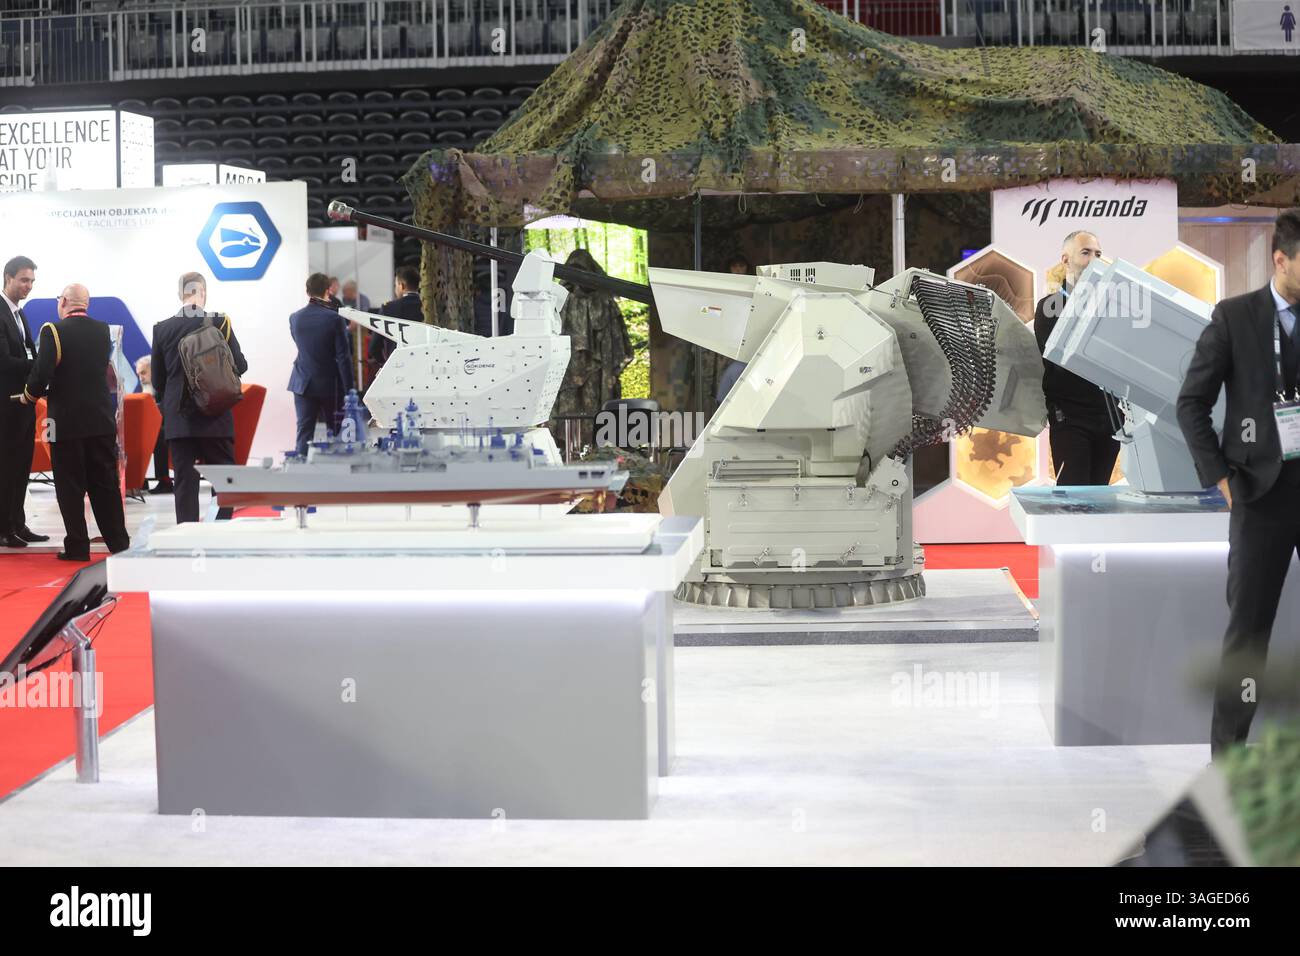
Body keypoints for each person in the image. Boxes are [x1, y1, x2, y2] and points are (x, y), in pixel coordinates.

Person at [1177, 207, 1300, 759]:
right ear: (1281, 260)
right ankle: (1228, 758)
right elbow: (1191, 404)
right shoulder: (1234, 317)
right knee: (1248, 633)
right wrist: (1220, 477)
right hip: (1260, 495)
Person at [15, 283, 129, 561]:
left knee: (70, 486)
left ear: (64, 301)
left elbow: (42, 373)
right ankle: (119, 543)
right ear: (85, 304)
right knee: (105, 484)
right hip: (101, 420)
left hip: (65, 422)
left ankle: (77, 546)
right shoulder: (103, 330)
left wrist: (28, 397)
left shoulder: (52, 331)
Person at [151, 271, 248, 524]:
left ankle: (187, 534)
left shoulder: (162, 328)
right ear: (203, 292)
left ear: (180, 293)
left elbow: (158, 381)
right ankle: (219, 530)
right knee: (224, 479)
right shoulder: (219, 322)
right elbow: (240, 365)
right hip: (215, 414)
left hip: (180, 419)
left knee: (184, 481)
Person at [1033, 230, 1121, 485]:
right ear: (1065, 259)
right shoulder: (1049, 308)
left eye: (1098, 254)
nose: (1094, 258)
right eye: (1086, 252)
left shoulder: (1113, 307)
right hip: (1071, 419)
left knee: (1099, 500)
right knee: (1073, 501)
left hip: (1110, 419)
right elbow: (1060, 362)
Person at [0, 255, 48, 548]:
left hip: (24, 403)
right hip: (5, 405)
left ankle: (18, 523)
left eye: (31, 281)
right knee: (6, 468)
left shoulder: (21, 314)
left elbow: (26, 353)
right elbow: (4, 361)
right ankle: (5, 527)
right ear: (8, 277)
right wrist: (38, 366)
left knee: (21, 467)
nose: (28, 286)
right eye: (24, 280)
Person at [551, 248, 632, 423]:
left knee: (596, 406)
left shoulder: (604, 301)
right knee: (569, 409)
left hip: (599, 371)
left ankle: (596, 444)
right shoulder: (559, 301)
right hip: (567, 370)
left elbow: (617, 340)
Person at [288, 273, 354, 458]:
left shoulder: (295, 318)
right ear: (328, 291)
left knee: (304, 433)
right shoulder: (335, 319)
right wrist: (350, 390)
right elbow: (343, 358)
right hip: (330, 385)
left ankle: (300, 474)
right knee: (336, 435)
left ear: (307, 291)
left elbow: (302, 346)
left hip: (302, 383)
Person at [368, 265, 421, 372]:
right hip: (423, 366)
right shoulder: (427, 307)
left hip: (397, 369)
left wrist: (385, 363)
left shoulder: (388, 308)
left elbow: (374, 347)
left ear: (402, 286)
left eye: (395, 285)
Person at [716, 254, 753, 403]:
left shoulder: (754, 287)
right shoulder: (723, 286)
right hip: (725, 340)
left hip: (746, 340)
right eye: (735, 266)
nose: (738, 270)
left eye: (741, 266)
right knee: (723, 378)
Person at [135, 354, 172, 493]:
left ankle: (165, 481)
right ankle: (139, 480)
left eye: (144, 373)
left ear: (154, 371)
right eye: (139, 374)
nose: (141, 378)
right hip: (156, 427)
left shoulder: (165, 388)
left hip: (170, 426)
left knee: (159, 434)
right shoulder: (147, 391)